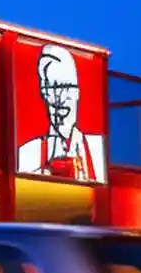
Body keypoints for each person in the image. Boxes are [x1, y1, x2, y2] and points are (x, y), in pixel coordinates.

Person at [17, 45, 106, 182]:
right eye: (52, 88)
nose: (59, 98)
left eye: (65, 87)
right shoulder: (26, 154)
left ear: (77, 92)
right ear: (44, 94)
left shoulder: (99, 150)